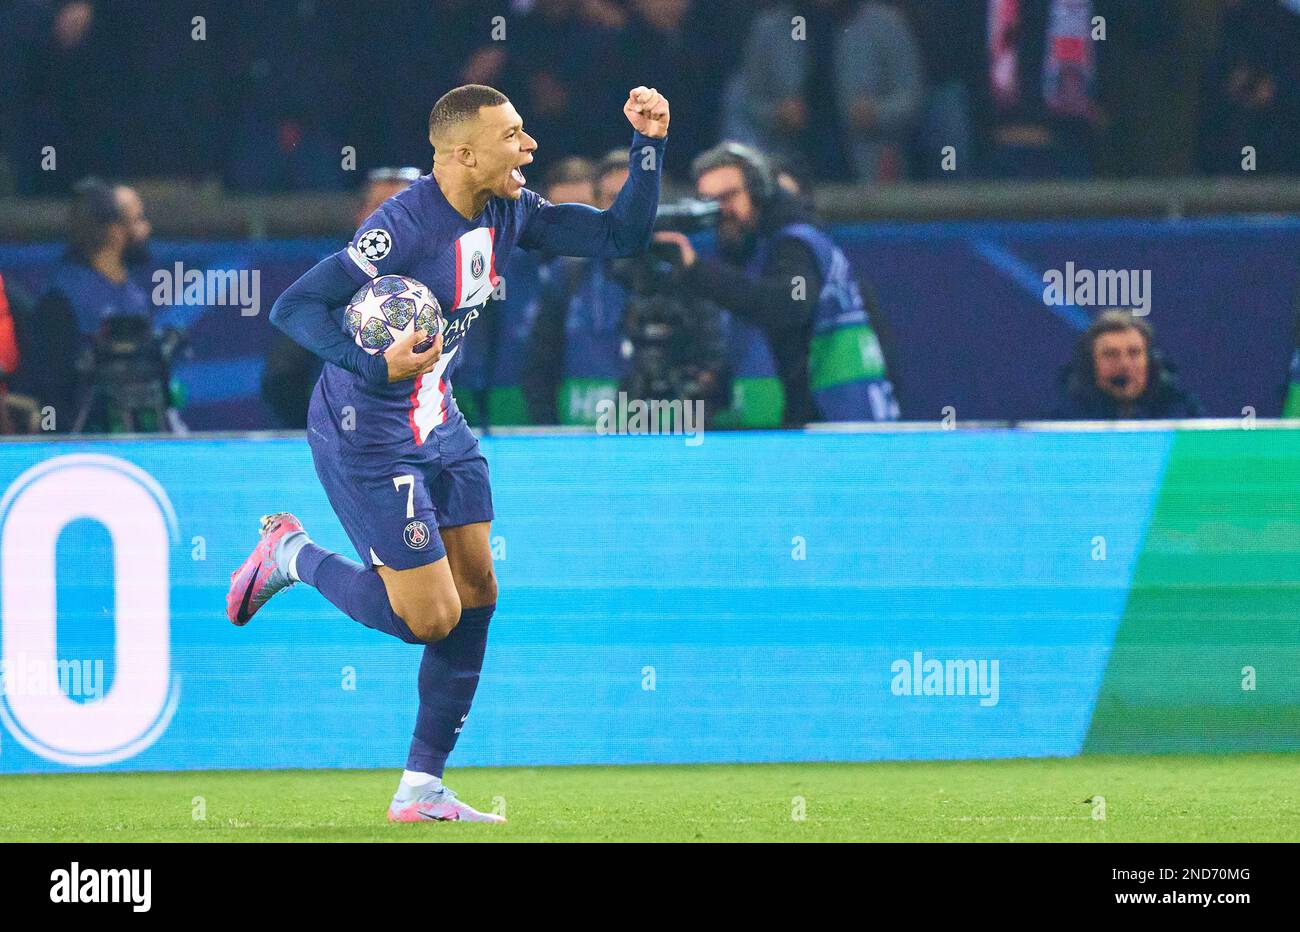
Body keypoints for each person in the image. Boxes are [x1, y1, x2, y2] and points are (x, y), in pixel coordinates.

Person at [229, 83, 668, 823]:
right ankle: (290, 554)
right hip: (365, 430)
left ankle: (421, 790)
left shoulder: (509, 210)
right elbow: (294, 306)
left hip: (440, 421)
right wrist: (373, 364)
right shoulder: (400, 230)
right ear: (464, 154)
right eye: (514, 136)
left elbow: (618, 236)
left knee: (480, 594)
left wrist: (648, 147)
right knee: (428, 618)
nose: (530, 147)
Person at [654, 142, 898, 425]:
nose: (722, 211)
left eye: (730, 196)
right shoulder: (775, 247)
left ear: (759, 192)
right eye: (710, 201)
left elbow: (787, 306)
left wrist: (696, 270)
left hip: (838, 422)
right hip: (839, 415)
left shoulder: (796, 245)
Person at [262, 167, 422, 428]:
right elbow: (281, 377)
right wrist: (320, 431)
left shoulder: (457, 279)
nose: (394, 221)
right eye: (382, 209)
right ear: (360, 216)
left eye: (406, 209)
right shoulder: (329, 288)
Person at [27, 177, 157, 429]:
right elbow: (51, 394)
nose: (146, 229)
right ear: (114, 231)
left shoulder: (133, 296)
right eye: (137, 220)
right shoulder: (61, 300)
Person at [1049, 311, 1201, 419]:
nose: (1124, 364)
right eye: (1110, 354)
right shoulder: (1062, 423)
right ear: (1090, 365)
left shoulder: (1184, 416)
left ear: (1151, 362)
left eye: (1134, 353)